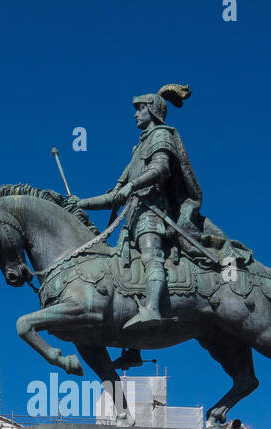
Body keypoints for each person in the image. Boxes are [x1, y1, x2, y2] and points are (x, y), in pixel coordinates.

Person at [76, 84, 200, 332]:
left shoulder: (161, 135)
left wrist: (133, 185)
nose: (135, 114)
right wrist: (80, 203)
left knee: (150, 256)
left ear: (152, 111)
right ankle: (133, 343)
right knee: (125, 274)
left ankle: (153, 308)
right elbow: (114, 195)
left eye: (140, 109)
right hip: (131, 219)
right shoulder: (136, 150)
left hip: (152, 213)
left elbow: (162, 169)